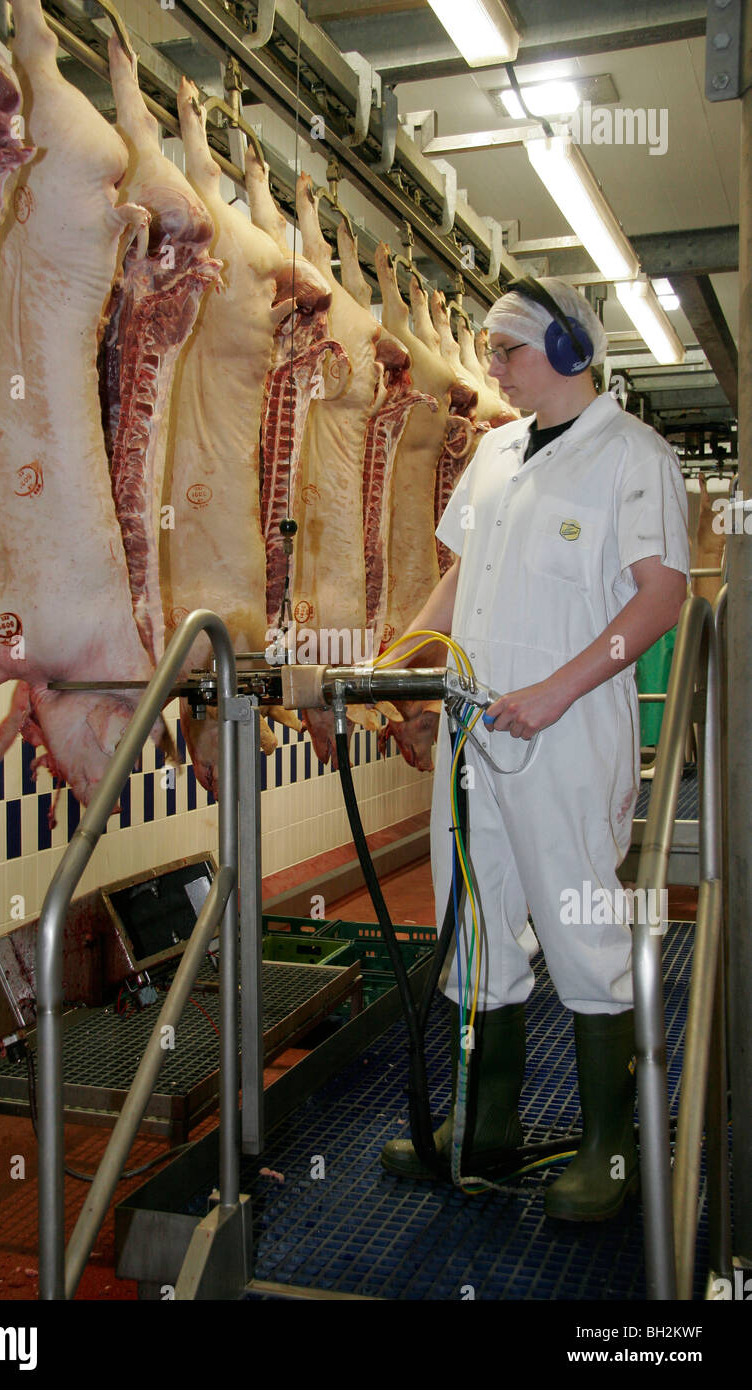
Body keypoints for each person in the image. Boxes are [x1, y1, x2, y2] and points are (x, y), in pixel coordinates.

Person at [380, 278, 689, 1221]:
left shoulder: (633, 457)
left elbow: (660, 598)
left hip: (567, 741)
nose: (492, 364)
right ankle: (487, 1125)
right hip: (477, 737)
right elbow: (462, 579)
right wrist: (405, 669)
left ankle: (611, 1150)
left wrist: (554, 693)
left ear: (566, 349)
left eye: (506, 347)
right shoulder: (496, 454)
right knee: (472, 930)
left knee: (583, 934)